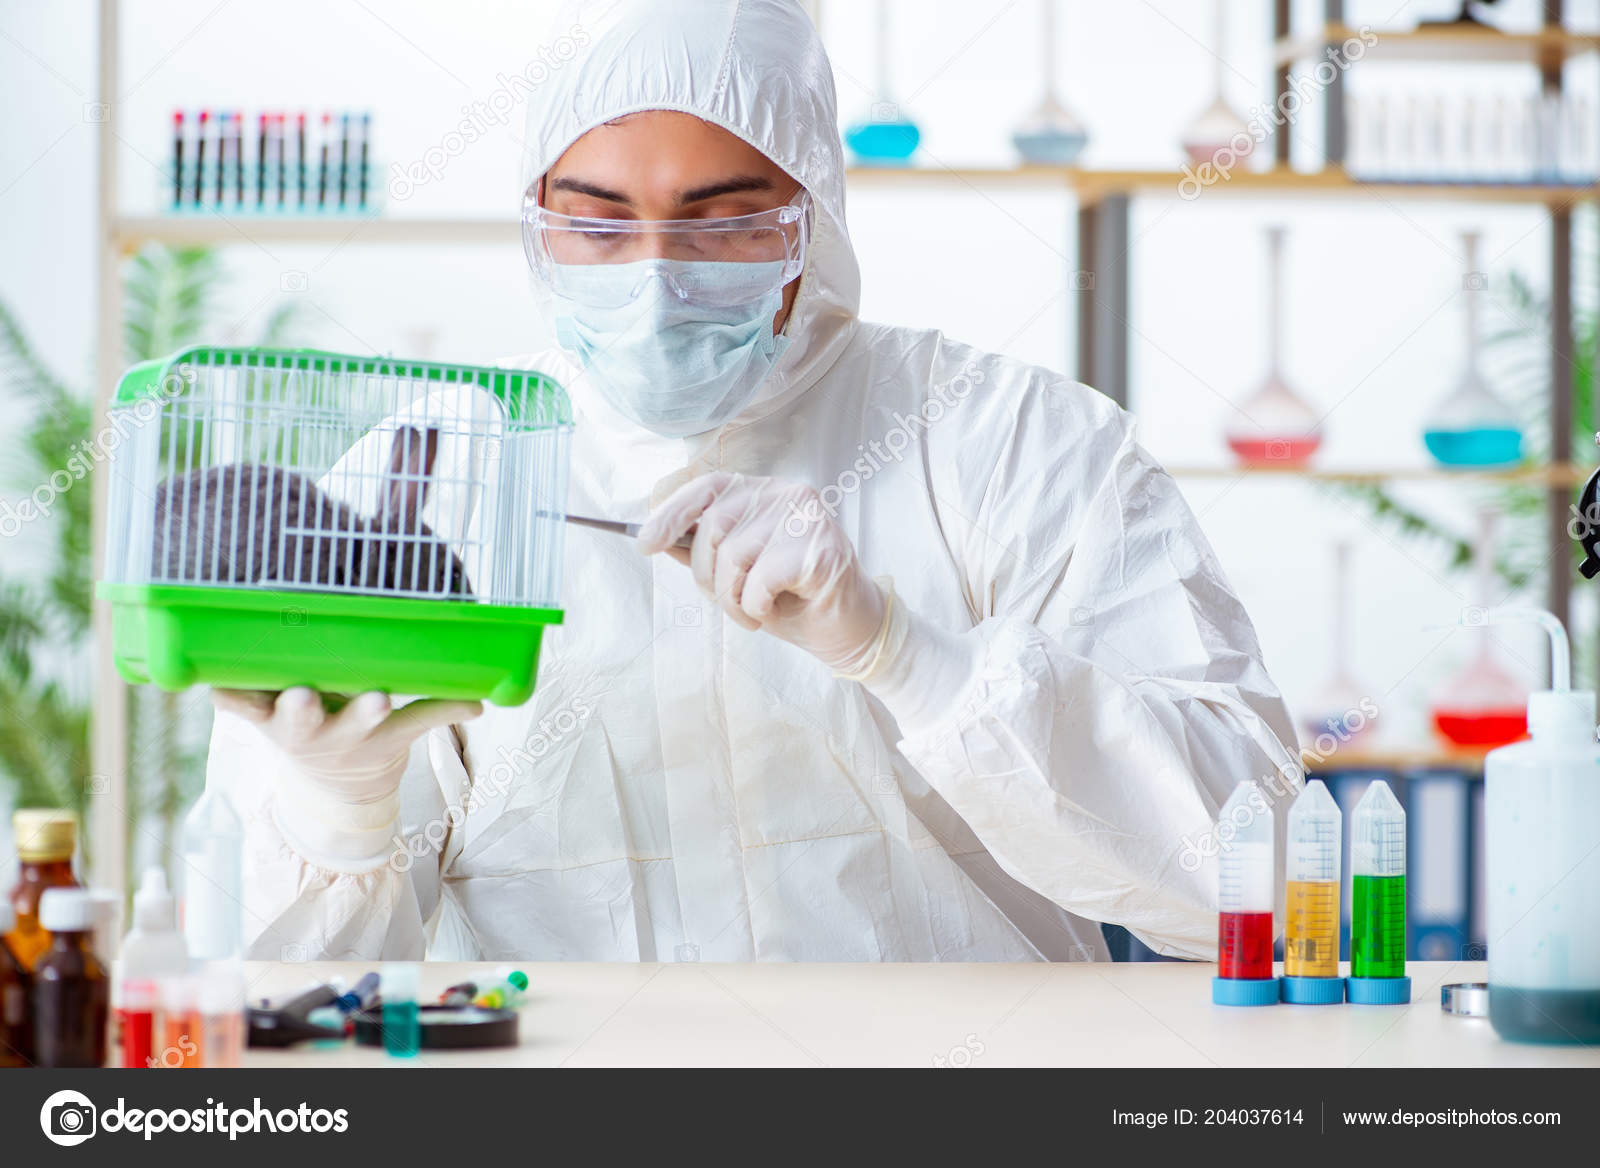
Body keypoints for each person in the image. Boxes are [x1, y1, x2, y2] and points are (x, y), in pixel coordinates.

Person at [208, 0, 1299, 962]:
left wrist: (910, 657)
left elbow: (1254, 887)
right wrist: (337, 814)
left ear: (810, 212)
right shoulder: (434, 477)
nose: (654, 277)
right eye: (593, 222)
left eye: (724, 220)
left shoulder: (1012, 442)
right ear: (535, 222)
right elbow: (278, 994)